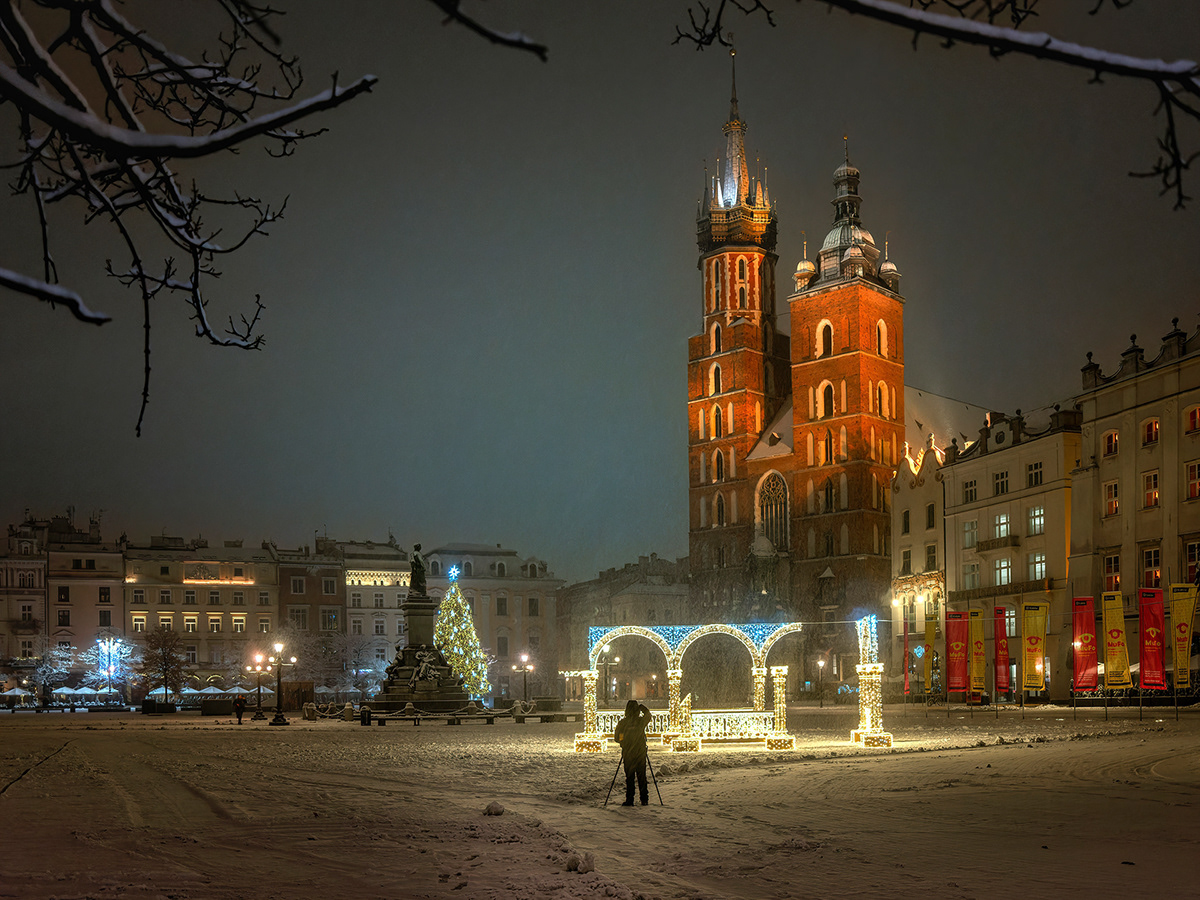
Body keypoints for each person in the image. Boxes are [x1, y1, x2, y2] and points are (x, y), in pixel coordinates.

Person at [614, 699, 651, 806]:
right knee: (642, 776)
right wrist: (642, 707)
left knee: (629, 777)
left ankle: (630, 799)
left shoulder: (623, 723)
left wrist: (624, 741)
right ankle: (644, 799)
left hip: (628, 753)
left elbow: (617, 737)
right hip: (640, 752)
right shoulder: (640, 721)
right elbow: (648, 716)